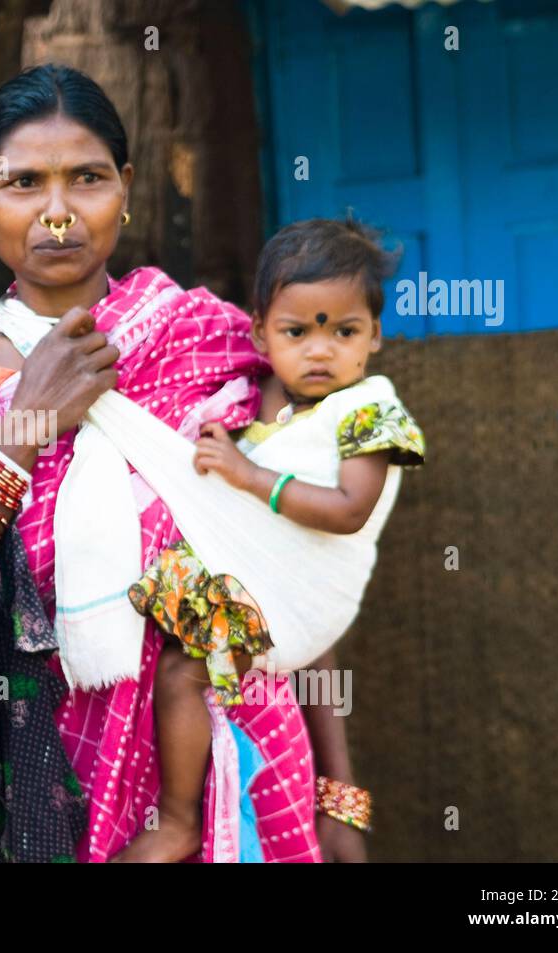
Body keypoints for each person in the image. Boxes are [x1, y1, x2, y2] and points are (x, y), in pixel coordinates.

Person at [0, 64, 363, 862]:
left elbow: (280, 566)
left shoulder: (207, 343)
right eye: (24, 184)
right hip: (12, 785)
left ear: (125, 187)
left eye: (86, 178)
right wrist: (24, 423)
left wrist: (341, 795)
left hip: (229, 774)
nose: (57, 213)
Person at [118, 217, 426, 861]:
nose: (321, 351)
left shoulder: (370, 408)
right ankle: (179, 817)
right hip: (239, 610)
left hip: (296, 614)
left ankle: (175, 820)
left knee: (188, 670)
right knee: (180, 670)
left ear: (374, 337)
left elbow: (348, 512)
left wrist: (249, 475)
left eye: (344, 332)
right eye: (296, 332)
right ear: (259, 333)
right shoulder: (245, 400)